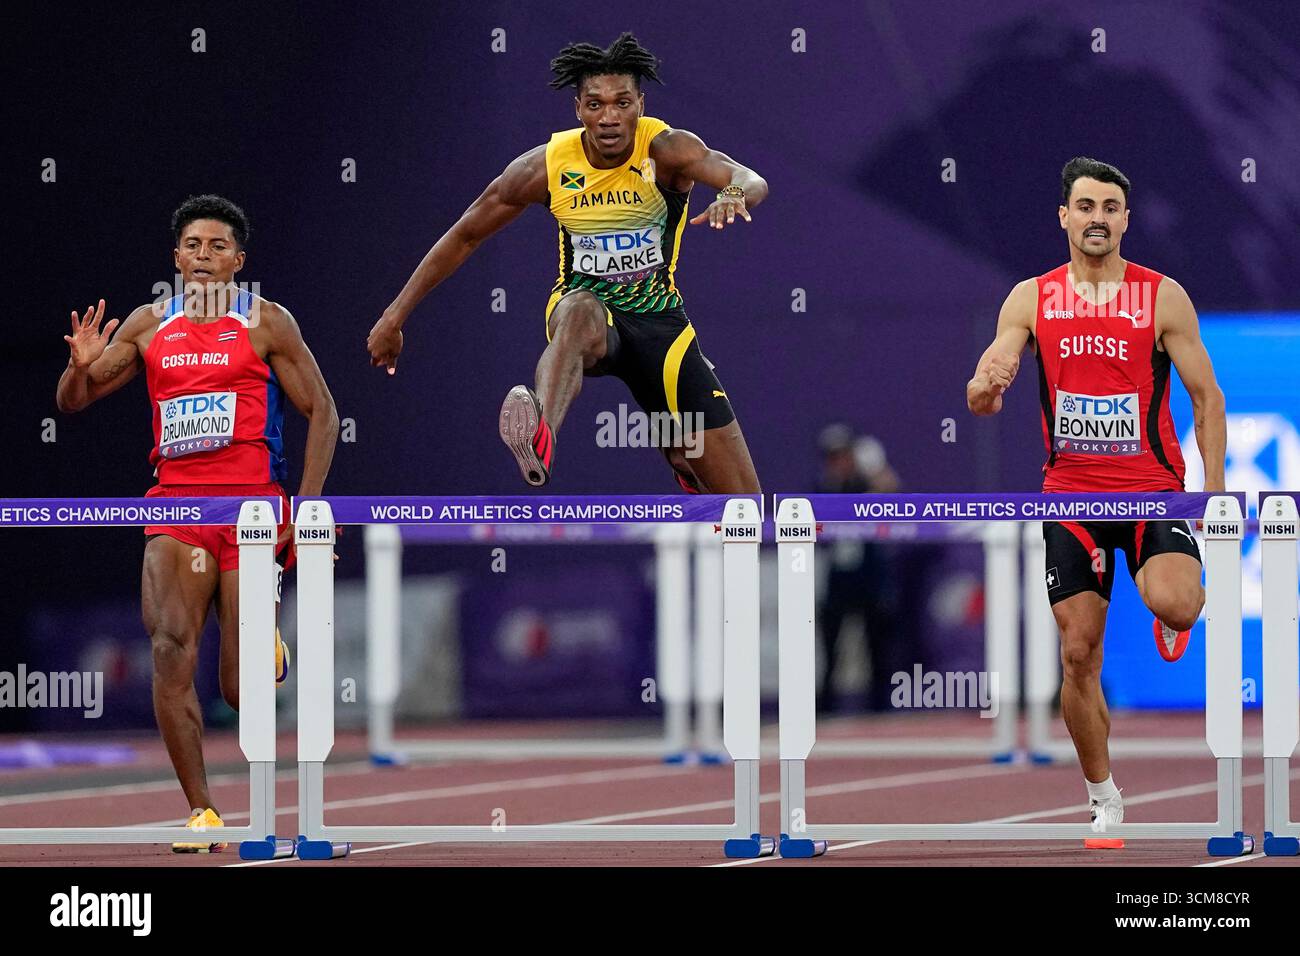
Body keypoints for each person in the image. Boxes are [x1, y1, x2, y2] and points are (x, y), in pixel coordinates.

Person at [55, 195, 339, 851]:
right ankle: (203, 812)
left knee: (239, 692)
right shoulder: (150, 325)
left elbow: (322, 411)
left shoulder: (266, 322)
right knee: (168, 648)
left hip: (251, 510)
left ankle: (266, 653)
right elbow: (74, 402)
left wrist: (304, 505)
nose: (204, 256)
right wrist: (78, 368)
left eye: (218, 246)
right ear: (176, 256)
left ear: (239, 259)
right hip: (177, 509)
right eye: (192, 245)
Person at [366, 32, 766, 493]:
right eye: (595, 105)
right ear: (578, 109)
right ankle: (540, 435)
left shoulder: (667, 149)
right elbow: (466, 234)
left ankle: (683, 458)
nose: (609, 118)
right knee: (579, 308)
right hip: (591, 319)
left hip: (661, 326)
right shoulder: (547, 166)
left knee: (746, 508)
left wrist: (733, 193)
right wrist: (394, 316)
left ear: (641, 104)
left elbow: (747, 176)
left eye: (622, 103)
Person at [966, 157, 1226, 839]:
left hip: (1152, 494)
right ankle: (1103, 793)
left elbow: (1207, 400)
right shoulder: (1030, 297)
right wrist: (987, 388)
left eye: (1110, 208)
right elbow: (981, 395)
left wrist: (1215, 500)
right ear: (1064, 216)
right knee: (1079, 653)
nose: (1098, 219)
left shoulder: (1162, 297)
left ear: (1125, 220)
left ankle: (1172, 615)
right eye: (1086, 207)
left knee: (1179, 600)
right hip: (1071, 498)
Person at [814, 425, 903, 712]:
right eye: (832, 457)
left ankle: (880, 708)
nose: (837, 462)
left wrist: (875, 466)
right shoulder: (823, 488)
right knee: (830, 647)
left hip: (869, 578)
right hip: (838, 580)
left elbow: (891, 491)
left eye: (842, 455)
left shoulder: (865, 484)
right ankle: (824, 709)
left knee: (877, 646)